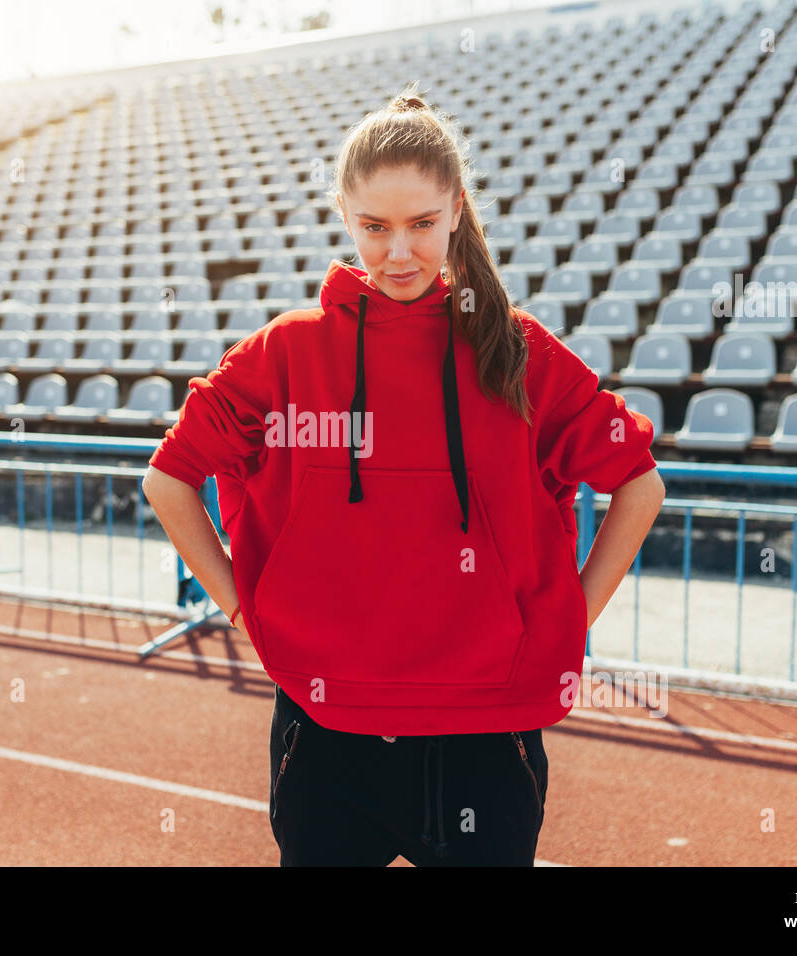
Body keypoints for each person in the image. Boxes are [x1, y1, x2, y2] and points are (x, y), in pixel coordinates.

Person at [142, 82, 665, 866]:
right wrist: (241, 606)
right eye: (374, 227)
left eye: (422, 225)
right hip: (327, 736)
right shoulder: (285, 353)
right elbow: (169, 478)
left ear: (457, 208)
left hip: (487, 743)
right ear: (344, 217)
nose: (397, 252)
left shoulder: (517, 351)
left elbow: (639, 482)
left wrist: (569, 617)